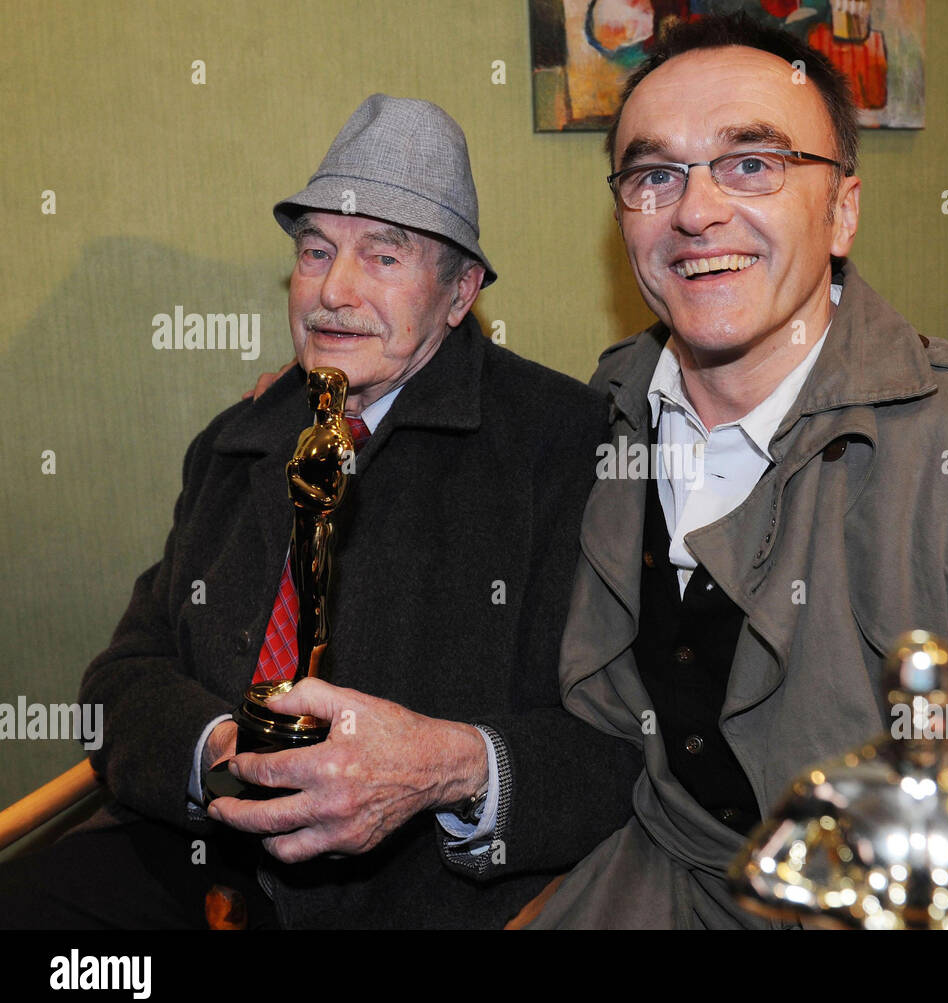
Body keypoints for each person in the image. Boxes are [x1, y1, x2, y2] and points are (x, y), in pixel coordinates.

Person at [526, 15, 948, 929]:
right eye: (655, 176)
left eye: (752, 164)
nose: (694, 212)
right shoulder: (611, 409)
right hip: (657, 882)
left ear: (843, 210)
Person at [0, 94, 639, 929]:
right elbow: (122, 678)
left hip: (427, 887)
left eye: (383, 256)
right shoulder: (237, 441)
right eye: (315, 250)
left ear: (459, 292)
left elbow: (620, 746)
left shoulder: (564, 446)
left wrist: (443, 769)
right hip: (203, 855)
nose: (333, 290)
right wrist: (219, 750)